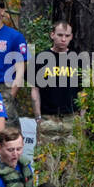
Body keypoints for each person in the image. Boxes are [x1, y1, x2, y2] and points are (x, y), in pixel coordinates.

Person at [32, 20, 83, 160]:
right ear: (52, 35)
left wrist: (82, 117)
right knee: (45, 162)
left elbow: (83, 91)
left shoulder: (78, 60)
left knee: (72, 163)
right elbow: (34, 90)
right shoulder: (39, 59)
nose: (63, 39)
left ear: (71, 37)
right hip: (48, 117)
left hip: (71, 118)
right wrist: (38, 117)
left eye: (67, 35)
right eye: (60, 35)